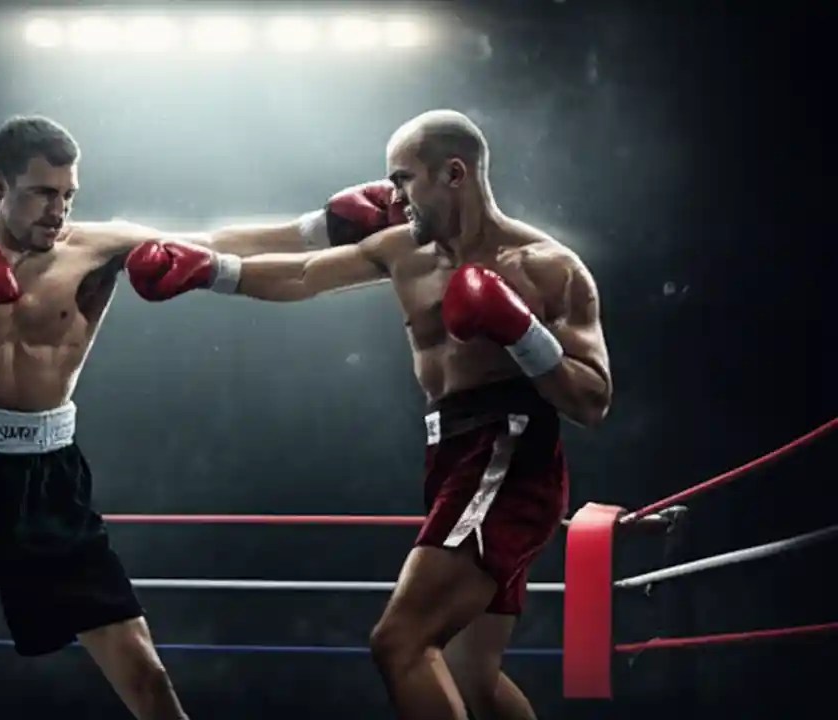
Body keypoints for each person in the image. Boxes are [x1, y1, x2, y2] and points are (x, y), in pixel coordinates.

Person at [0, 114, 408, 720]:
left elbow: (216, 242)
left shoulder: (96, 249)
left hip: (48, 483)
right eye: (41, 193)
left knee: (147, 679)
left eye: (67, 195)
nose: (57, 211)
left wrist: (325, 227)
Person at [124, 109, 613, 720]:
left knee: (400, 642)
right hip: (452, 457)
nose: (392, 196)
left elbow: (592, 399)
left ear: (453, 174)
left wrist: (521, 331)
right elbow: (302, 274)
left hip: (507, 459)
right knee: (473, 680)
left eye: (404, 179)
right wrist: (207, 272)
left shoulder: (547, 266)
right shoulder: (404, 249)